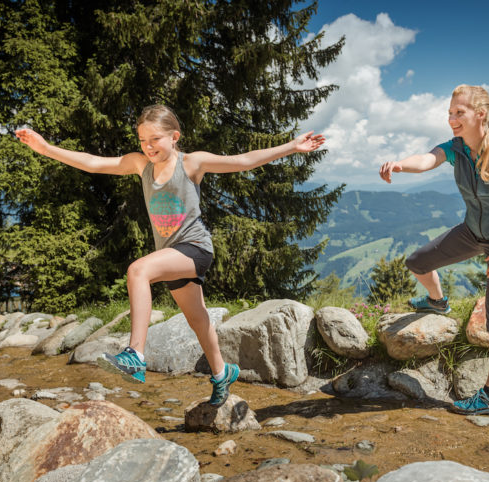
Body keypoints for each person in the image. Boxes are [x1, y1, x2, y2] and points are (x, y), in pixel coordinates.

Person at [16, 105, 324, 406]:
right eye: (142, 140)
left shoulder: (192, 163)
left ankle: (134, 355)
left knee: (138, 271)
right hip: (170, 254)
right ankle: (222, 374)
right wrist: (45, 148)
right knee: (198, 319)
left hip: (195, 249)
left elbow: (242, 161)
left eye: (155, 139)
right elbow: (93, 162)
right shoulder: (141, 165)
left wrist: (291, 146)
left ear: (174, 136)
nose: (148, 147)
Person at [379, 84, 489, 415]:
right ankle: (437, 302)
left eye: (458, 113)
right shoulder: (457, 148)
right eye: (449, 113)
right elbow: (429, 159)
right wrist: (400, 165)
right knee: (417, 261)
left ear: (480, 114)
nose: (452, 119)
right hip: (471, 233)